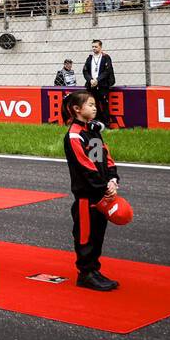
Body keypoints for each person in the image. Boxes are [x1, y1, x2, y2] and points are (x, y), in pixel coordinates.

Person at [61, 90, 122, 291]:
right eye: (90, 105)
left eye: (95, 105)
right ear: (77, 109)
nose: (94, 108)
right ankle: (85, 273)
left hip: (101, 194)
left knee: (98, 234)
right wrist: (104, 186)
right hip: (87, 196)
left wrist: (113, 178)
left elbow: (106, 158)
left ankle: (94, 270)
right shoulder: (74, 135)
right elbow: (85, 166)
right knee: (85, 235)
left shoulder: (94, 131)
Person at [83, 39, 116, 125]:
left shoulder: (106, 57)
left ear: (100, 47)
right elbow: (85, 71)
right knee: (94, 104)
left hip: (102, 85)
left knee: (104, 105)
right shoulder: (89, 58)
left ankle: (106, 123)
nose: (94, 48)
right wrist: (90, 80)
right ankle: (96, 122)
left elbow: (107, 71)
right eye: (92, 47)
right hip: (91, 85)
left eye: (96, 47)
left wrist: (97, 80)